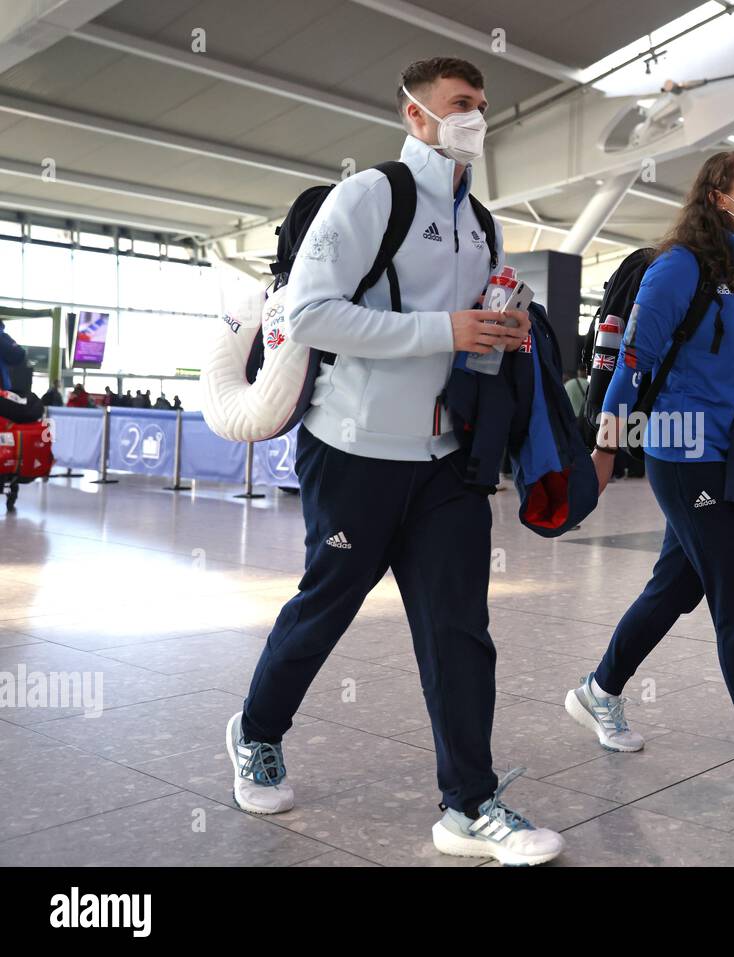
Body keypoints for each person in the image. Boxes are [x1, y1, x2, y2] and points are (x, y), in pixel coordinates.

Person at [225, 56, 563, 866]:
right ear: (416, 115)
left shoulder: (483, 222)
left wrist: (497, 332)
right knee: (325, 608)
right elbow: (309, 313)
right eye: (459, 105)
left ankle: (469, 804)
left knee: (460, 631)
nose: (475, 118)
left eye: (482, 105)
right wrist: (446, 329)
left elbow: (465, 340)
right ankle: (257, 730)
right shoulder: (371, 196)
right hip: (354, 451)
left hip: (446, 461)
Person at [564, 150, 734, 803]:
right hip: (679, 447)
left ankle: (599, 690)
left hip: (722, 452)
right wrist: (606, 446)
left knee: (675, 586)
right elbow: (634, 357)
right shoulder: (679, 267)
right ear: (720, 195)